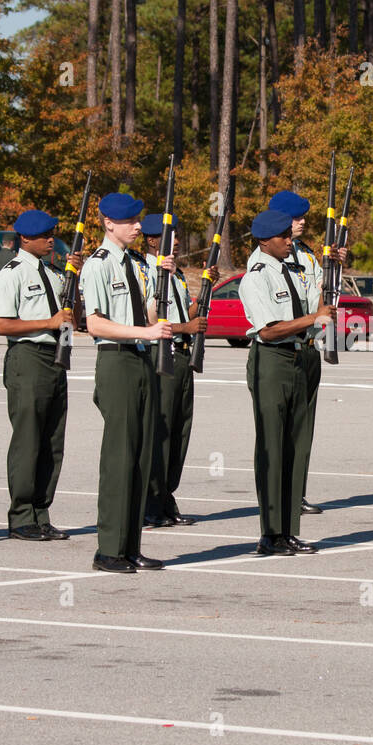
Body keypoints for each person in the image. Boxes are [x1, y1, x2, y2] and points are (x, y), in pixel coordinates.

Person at [79, 192, 175, 573]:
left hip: (141, 360)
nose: (138, 227)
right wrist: (146, 332)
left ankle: (131, 545)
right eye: (130, 221)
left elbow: (148, 309)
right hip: (117, 361)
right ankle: (109, 549)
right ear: (108, 223)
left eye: (139, 220)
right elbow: (95, 324)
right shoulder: (98, 265)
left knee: (141, 457)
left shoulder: (138, 264)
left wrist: (161, 282)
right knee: (120, 458)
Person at [239, 208, 332, 555]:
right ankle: (270, 532)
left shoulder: (294, 270)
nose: (290, 242)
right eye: (284, 237)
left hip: (298, 357)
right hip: (272, 361)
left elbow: (316, 307)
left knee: (295, 447)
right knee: (273, 448)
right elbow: (269, 329)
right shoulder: (256, 277)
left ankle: (290, 530)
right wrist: (314, 316)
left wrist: (326, 289)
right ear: (265, 240)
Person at [0, 210, 82, 541]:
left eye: (52, 235)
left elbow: (72, 319)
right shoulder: (10, 274)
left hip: (55, 359)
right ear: (25, 239)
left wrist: (76, 284)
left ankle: (41, 512)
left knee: (52, 441)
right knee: (28, 440)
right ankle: (21, 515)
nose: (50, 241)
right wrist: (48, 323)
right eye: (45, 236)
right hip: (27, 357)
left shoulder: (57, 275)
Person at [261, 189, 347, 516]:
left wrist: (334, 264)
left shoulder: (308, 254)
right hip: (283, 346)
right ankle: (280, 496)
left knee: (304, 426)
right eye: (296, 218)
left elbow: (319, 294)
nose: (302, 222)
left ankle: (297, 490)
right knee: (282, 429)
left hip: (309, 346)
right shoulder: (273, 256)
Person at [141, 213, 218, 528]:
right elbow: (148, 320)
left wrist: (206, 288)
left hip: (183, 357)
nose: (177, 241)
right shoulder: (145, 272)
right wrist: (186, 325)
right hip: (163, 358)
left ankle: (166, 496)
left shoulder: (177, 275)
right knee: (160, 433)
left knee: (179, 433)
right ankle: (151, 501)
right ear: (152, 240)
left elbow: (184, 308)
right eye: (169, 236)